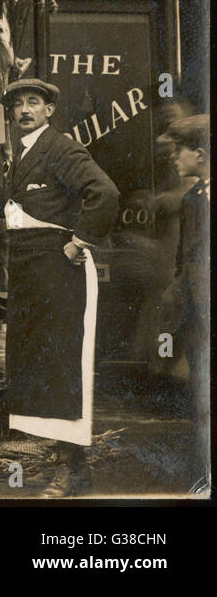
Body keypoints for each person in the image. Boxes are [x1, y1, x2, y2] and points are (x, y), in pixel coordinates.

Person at [0, 78, 119, 497]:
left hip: (59, 270)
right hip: (30, 274)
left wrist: (78, 242)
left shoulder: (59, 147)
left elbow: (104, 193)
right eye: (18, 105)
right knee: (42, 365)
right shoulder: (23, 155)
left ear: (49, 110)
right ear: (10, 114)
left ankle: (75, 469)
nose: (25, 109)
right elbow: (13, 211)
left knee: (63, 362)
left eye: (34, 102)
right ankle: (65, 460)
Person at [157, 113, 210, 492]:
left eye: (179, 151)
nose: (174, 158)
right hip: (198, 315)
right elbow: (184, 257)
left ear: (202, 153)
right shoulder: (193, 198)